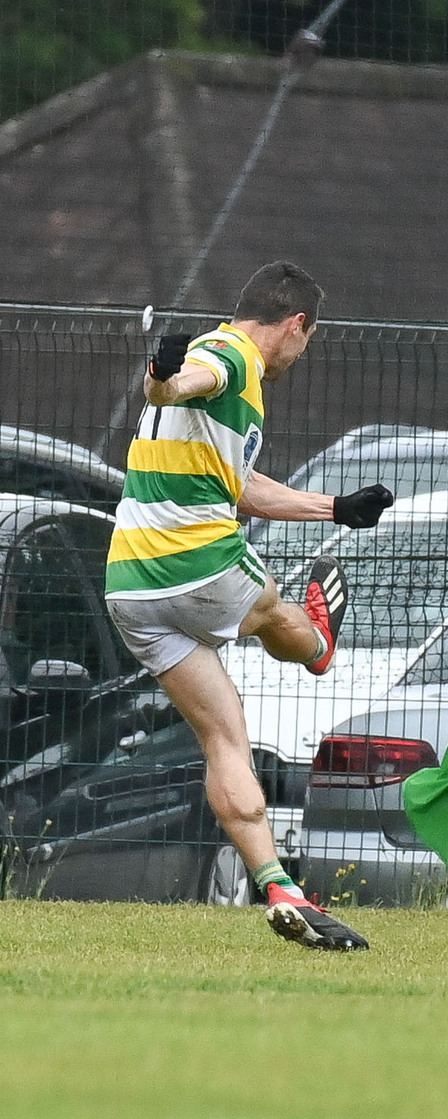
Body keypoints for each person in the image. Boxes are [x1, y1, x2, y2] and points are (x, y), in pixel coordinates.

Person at [104, 261, 394, 950]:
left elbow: (241, 484)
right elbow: (184, 381)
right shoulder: (232, 354)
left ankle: (279, 887)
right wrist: (162, 377)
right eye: (308, 340)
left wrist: (334, 508)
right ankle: (321, 645)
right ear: (295, 324)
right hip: (196, 561)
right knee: (278, 616)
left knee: (225, 733)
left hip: (132, 585)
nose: (302, 353)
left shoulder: (216, 374)